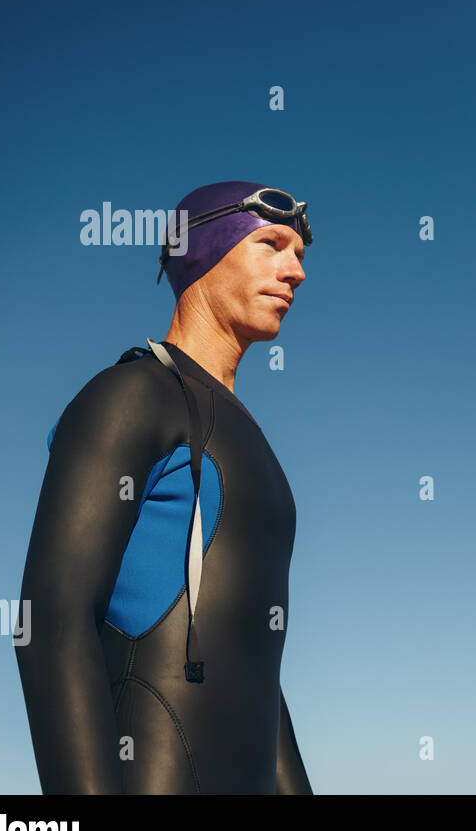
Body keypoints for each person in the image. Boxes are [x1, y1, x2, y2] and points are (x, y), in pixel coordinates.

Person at [16, 180, 314, 793]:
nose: (296, 271)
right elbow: (48, 619)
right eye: (272, 245)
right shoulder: (131, 397)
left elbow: (254, 668)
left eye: (301, 254)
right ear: (204, 251)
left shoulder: (249, 438)